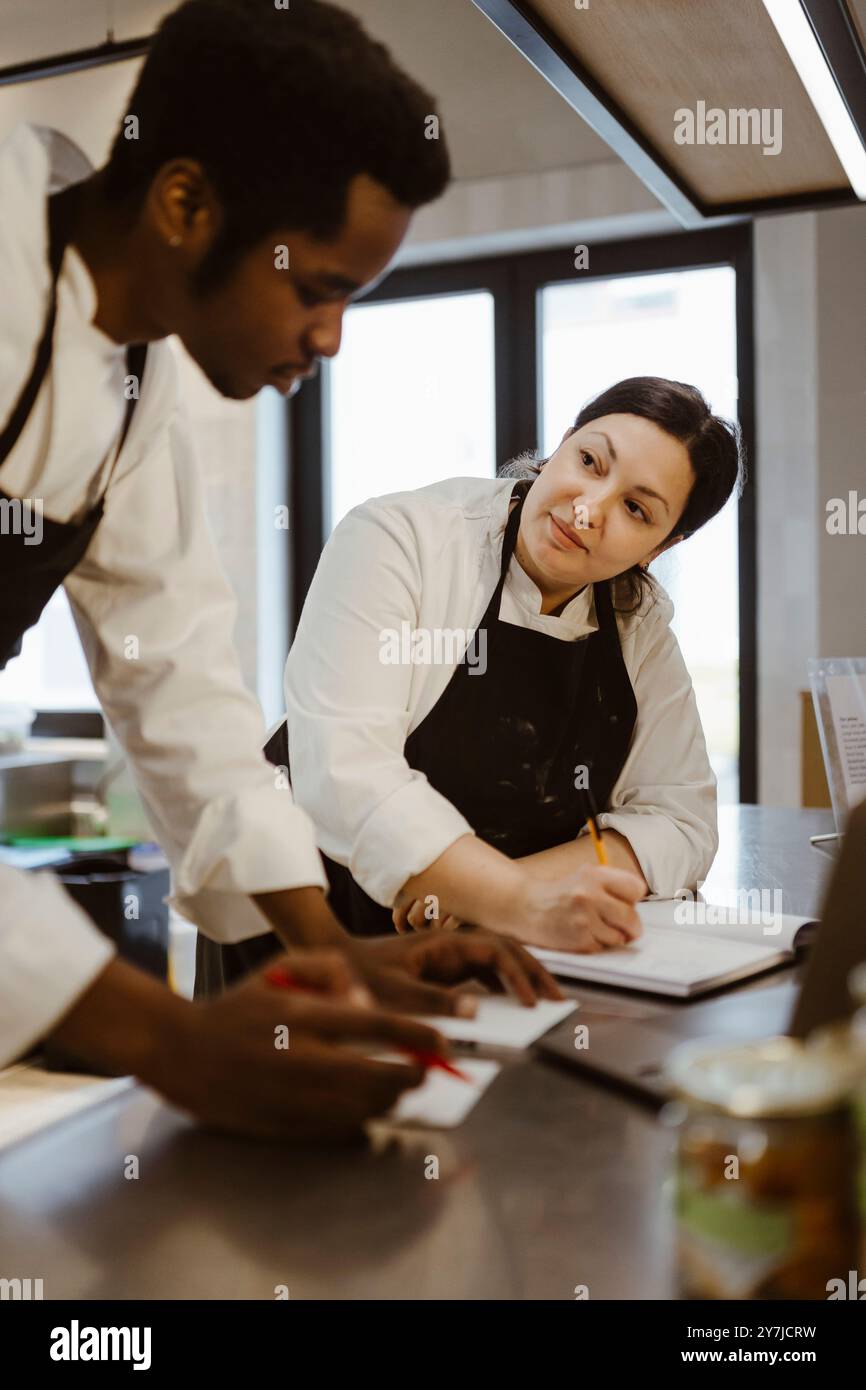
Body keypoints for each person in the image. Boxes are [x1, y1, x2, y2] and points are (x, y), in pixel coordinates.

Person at [0, 0, 558, 1140]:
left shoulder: (132, 386)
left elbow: (185, 697)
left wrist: (334, 952)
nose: (330, 339)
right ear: (185, 203)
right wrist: (171, 1041)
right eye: (317, 288)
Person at [200, 376, 742, 984]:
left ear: (662, 545)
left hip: (487, 943)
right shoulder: (401, 539)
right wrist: (509, 899)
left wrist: (498, 896)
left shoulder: (637, 624)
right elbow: (346, 777)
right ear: (560, 445)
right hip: (306, 923)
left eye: (636, 509)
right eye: (588, 461)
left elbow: (681, 824)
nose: (588, 510)